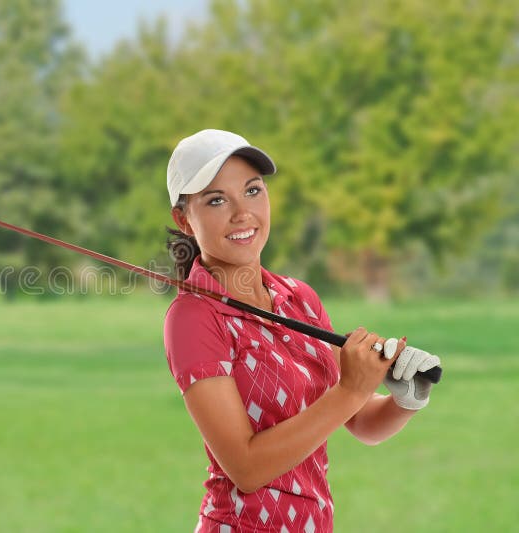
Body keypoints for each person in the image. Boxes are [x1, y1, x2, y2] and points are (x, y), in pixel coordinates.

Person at [163, 129, 441, 532]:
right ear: (183, 219)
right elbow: (246, 467)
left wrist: (403, 401)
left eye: (253, 191)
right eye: (216, 200)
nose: (242, 213)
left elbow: (360, 421)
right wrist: (351, 389)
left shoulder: (300, 298)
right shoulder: (192, 318)